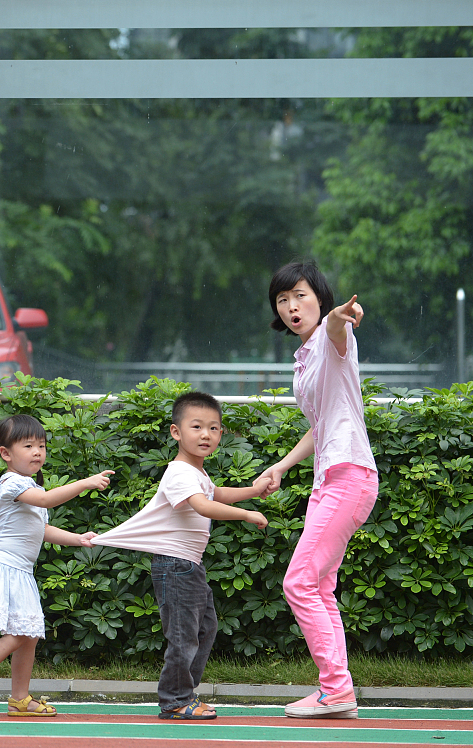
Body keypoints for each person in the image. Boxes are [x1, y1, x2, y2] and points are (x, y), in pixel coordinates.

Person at [92, 392, 270, 721]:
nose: (206, 435)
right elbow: (203, 505)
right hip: (175, 566)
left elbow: (216, 493)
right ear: (176, 432)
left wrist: (254, 490)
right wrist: (246, 514)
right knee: (184, 635)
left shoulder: (197, 474)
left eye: (214, 428)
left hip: (189, 566)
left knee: (205, 629)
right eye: (197, 426)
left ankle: (185, 692)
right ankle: (175, 698)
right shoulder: (179, 472)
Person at [257, 260, 378, 719]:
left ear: (321, 299)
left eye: (301, 296)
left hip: (349, 476)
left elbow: (335, 330)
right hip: (330, 479)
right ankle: (337, 690)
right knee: (319, 586)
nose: (291, 307)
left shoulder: (331, 341)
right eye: (283, 300)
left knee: (298, 582)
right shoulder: (304, 358)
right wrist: (282, 466)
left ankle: (336, 689)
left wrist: (336, 317)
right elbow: (318, 424)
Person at [0, 414, 113, 719]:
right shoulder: (12, 482)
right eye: (28, 445)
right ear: (6, 454)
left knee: (29, 634)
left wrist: (77, 539)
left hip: (21, 572)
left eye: (42, 445)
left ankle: (19, 699)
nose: (38, 451)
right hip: (7, 568)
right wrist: (86, 483)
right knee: (19, 635)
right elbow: (47, 500)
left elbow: (41, 530)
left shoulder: (30, 486)